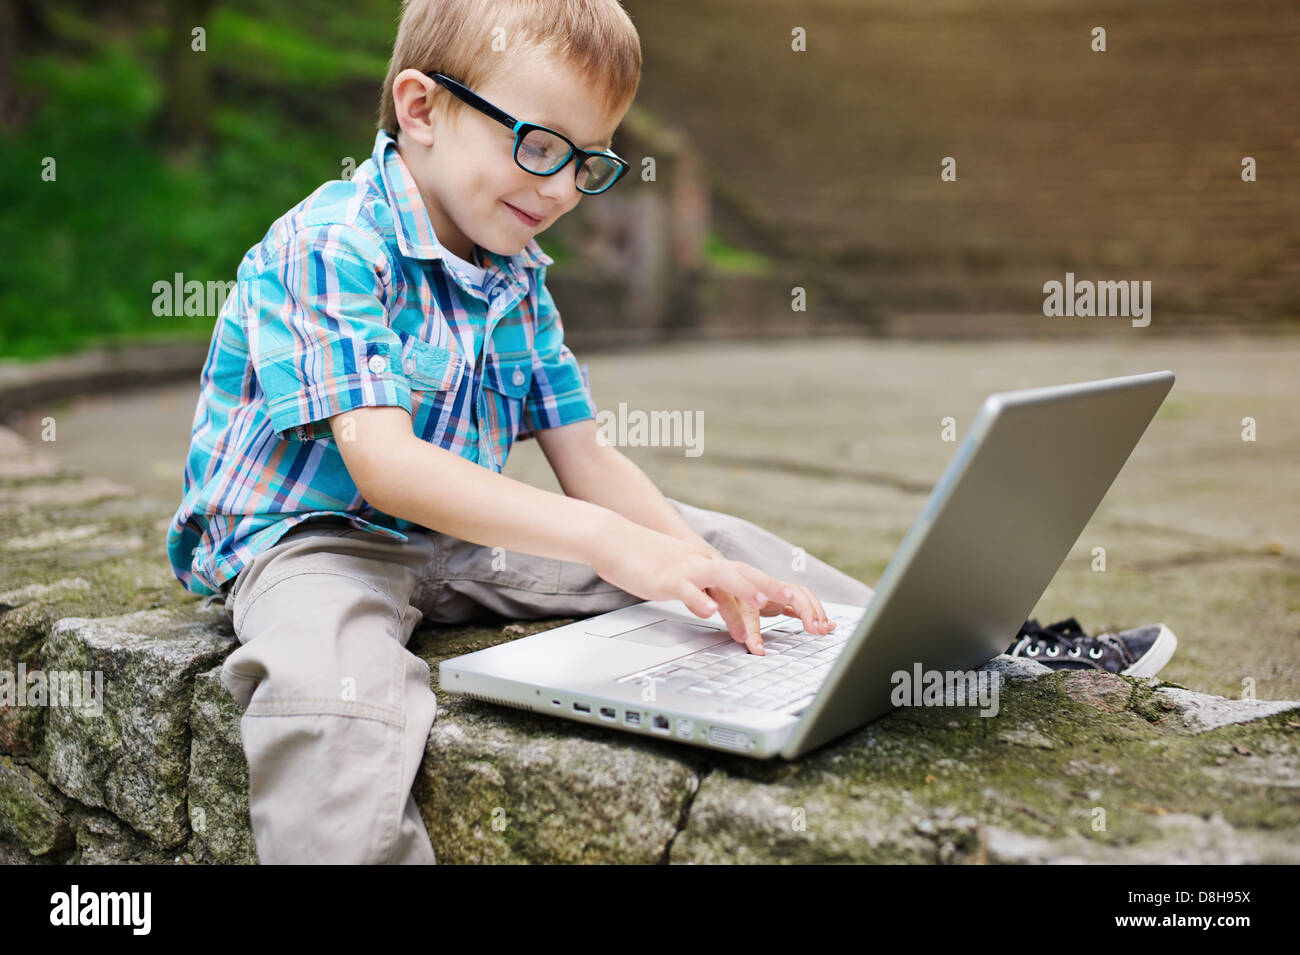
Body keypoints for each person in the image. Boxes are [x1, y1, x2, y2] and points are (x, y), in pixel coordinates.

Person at [166, 0, 1174, 864]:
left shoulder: (514, 275)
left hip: (452, 541)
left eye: (589, 162)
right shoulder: (330, 242)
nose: (561, 188)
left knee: (722, 552)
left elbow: (586, 458)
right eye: (539, 146)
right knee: (330, 691)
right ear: (422, 108)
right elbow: (381, 464)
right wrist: (610, 543)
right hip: (309, 541)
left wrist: (686, 560)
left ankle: (969, 652)